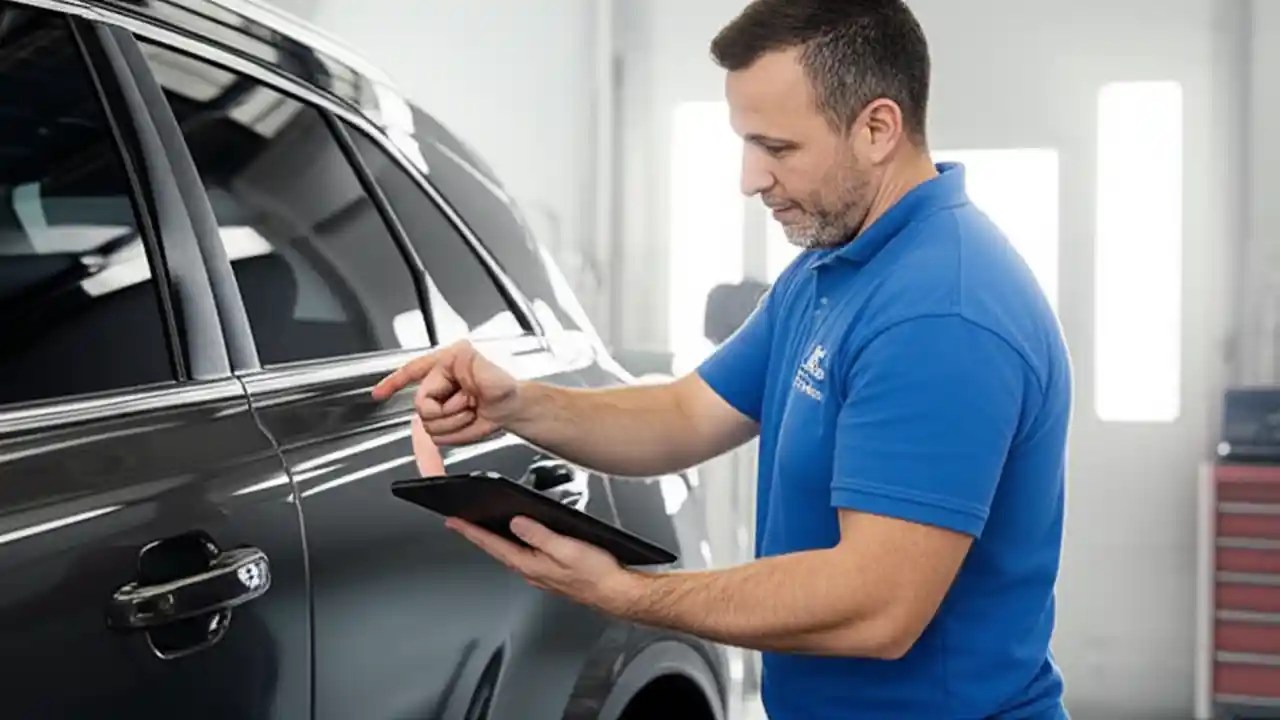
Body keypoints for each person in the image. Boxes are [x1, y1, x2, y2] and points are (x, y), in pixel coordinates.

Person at [373, 0, 1072, 717]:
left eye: (778, 148)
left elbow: (877, 608)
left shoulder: (943, 311)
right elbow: (686, 413)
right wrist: (520, 404)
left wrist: (628, 594)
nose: (750, 178)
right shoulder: (831, 268)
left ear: (877, 129)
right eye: (745, 143)